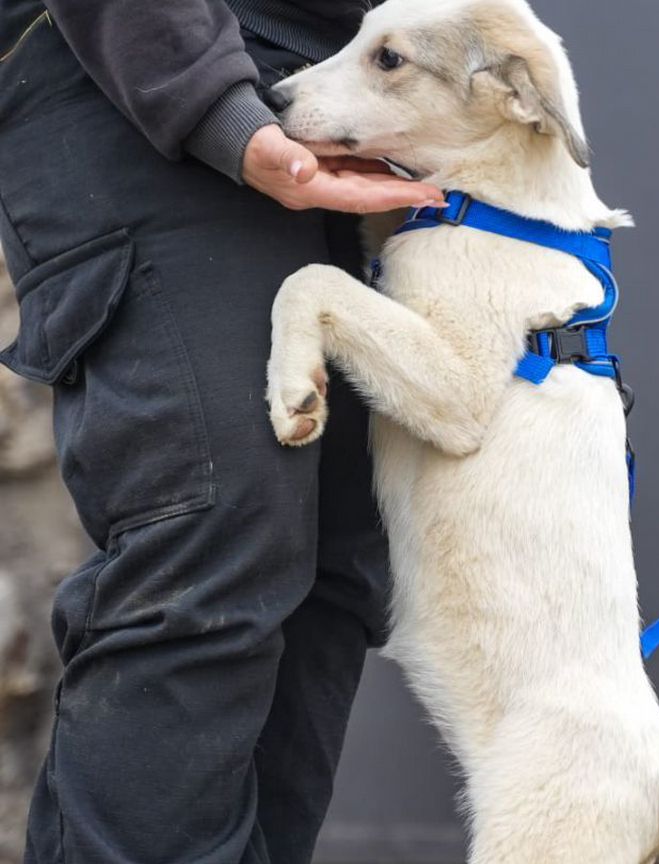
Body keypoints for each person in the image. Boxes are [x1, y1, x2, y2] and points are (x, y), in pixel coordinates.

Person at [0, 2, 442, 863]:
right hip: (129, 62)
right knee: (217, 536)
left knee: (336, 571)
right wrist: (219, 110)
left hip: (342, 74)